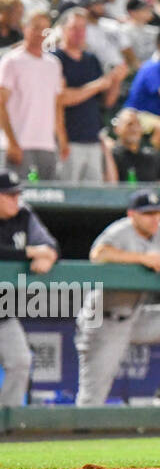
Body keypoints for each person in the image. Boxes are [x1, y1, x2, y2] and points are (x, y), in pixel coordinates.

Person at [75, 189, 160, 406]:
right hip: (104, 321)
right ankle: (80, 436)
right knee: (92, 400)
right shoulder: (120, 231)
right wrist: (141, 258)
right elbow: (98, 254)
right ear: (132, 214)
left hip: (136, 316)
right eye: (148, 213)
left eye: (158, 212)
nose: (155, 218)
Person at [0, 170, 60, 406]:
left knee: (20, 360)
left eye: (17, 194)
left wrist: (49, 255)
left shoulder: (24, 214)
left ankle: (7, 421)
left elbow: (49, 243)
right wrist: (30, 252)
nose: (16, 199)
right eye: (8, 195)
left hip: (3, 312)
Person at [55, 7, 127, 182]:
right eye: (74, 28)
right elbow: (61, 98)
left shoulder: (91, 60)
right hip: (68, 141)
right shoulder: (56, 59)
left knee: (94, 195)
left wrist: (116, 81)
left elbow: (107, 102)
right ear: (63, 29)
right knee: (67, 194)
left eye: (83, 28)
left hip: (92, 139)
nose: (80, 33)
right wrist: (98, 85)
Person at [0, 11, 66, 180]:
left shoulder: (54, 64)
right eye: (36, 28)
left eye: (45, 29)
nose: (40, 34)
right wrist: (12, 142)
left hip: (47, 145)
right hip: (19, 144)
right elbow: (1, 103)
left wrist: (61, 138)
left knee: (50, 199)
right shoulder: (11, 61)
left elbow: (56, 104)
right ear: (24, 28)